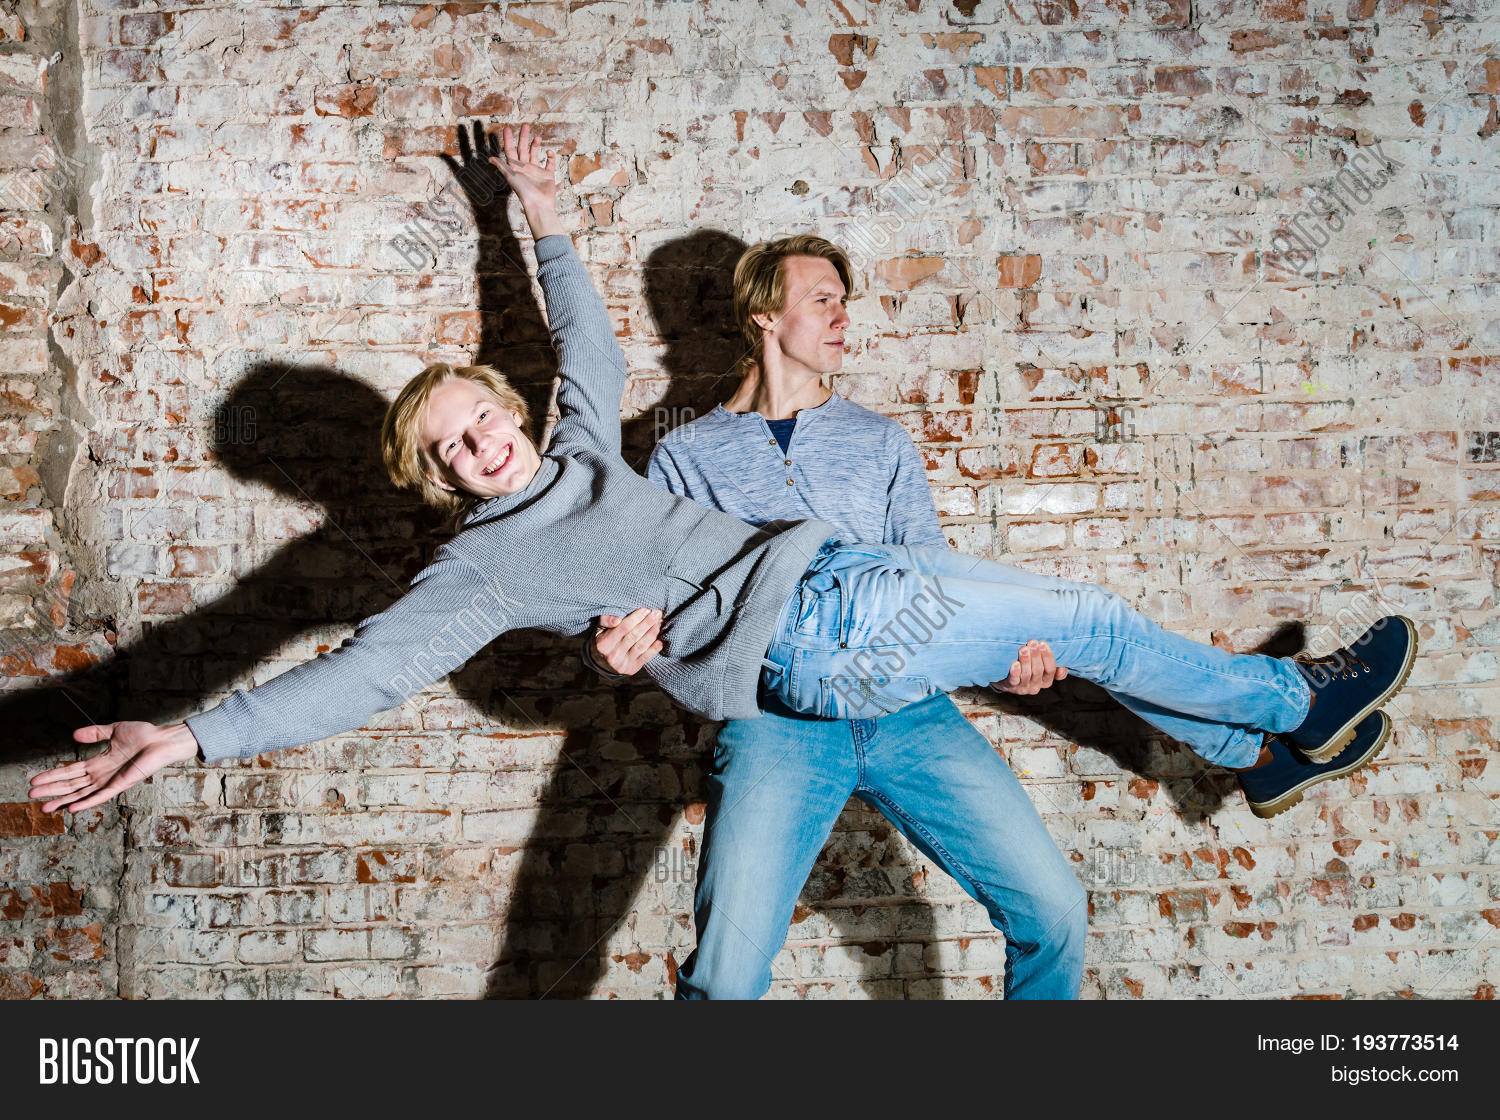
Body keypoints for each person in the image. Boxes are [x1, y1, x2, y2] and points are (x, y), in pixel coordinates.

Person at [31, 121, 1415, 892]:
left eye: (482, 421)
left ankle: (1266, 742)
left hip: (837, 613)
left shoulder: (585, 455)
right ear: (437, 478)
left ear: (508, 418)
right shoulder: (484, 578)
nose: (480, 450)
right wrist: (195, 733)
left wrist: (545, 215)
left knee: (1089, 631)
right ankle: (1289, 709)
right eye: (451, 450)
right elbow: (358, 673)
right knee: (1088, 613)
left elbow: (587, 349)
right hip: (811, 633)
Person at [588, 233, 1084, 999]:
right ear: (763, 314)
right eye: (823, 300)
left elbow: (932, 581)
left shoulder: (881, 441)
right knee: (724, 976)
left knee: (1054, 913)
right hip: (776, 725)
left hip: (907, 711)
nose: (843, 318)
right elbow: (656, 609)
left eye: (844, 303)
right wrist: (612, 649)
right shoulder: (686, 456)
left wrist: (1003, 659)